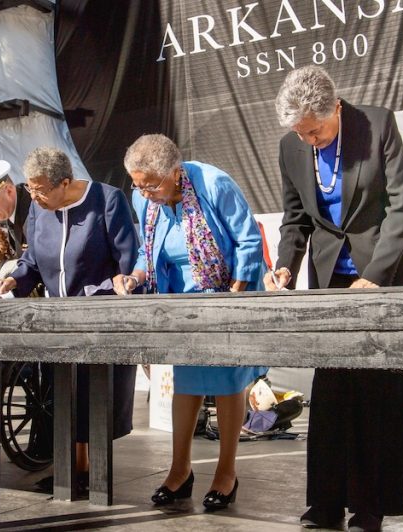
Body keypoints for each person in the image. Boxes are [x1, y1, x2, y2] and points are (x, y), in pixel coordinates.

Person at [264, 66, 403, 532]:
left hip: (387, 271)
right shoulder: (290, 147)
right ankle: (325, 502)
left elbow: (401, 206)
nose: (308, 140)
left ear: (335, 108)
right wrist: (285, 266)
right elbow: (295, 219)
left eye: (315, 131)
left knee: (380, 392)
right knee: (333, 391)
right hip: (331, 281)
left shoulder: (377, 125)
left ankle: (371, 507)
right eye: (301, 133)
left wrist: (376, 275)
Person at [113, 133, 267, 511]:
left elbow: (248, 242)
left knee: (229, 380)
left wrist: (233, 297)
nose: (144, 193)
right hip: (182, 302)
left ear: (174, 172)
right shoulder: (143, 197)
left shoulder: (214, 184)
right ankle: (179, 470)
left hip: (228, 294)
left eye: (150, 185)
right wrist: (133, 276)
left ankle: (226, 473)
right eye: (138, 185)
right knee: (186, 381)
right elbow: (150, 252)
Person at [0, 146, 138, 488]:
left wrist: (101, 291)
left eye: (41, 190)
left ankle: (94, 472)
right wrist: (15, 278)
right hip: (56, 324)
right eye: (30, 190)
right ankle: (74, 469)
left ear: (65, 182)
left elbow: (127, 264)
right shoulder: (39, 212)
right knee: (64, 396)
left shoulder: (107, 200)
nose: (35, 198)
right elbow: (33, 263)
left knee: (94, 397)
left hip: (98, 320)